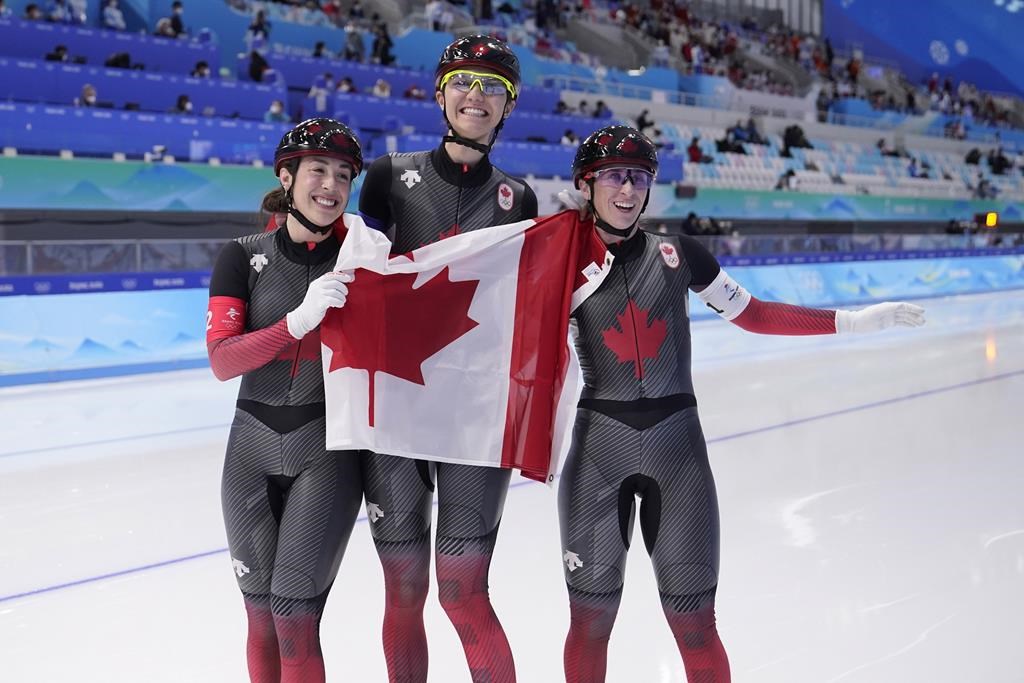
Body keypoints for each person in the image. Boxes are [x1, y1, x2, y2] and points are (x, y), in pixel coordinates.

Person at [558, 125, 926, 683]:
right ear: (587, 184)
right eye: (613, 176)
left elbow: (752, 315)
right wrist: (551, 234)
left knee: (696, 623)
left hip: (677, 455)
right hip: (596, 455)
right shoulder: (562, 263)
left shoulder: (678, 255)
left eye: (639, 177)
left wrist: (851, 320)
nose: (627, 190)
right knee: (590, 621)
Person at [356, 35, 537, 683]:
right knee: (403, 588)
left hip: (473, 417)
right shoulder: (387, 177)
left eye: (493, 87)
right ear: (439, 93)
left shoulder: (522, 198)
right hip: (398, 409)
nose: (476, 96)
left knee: (462, 591)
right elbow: (362, 277)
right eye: (464, 81)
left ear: (509, 106)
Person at [206, 118, 365, 683]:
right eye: (318, 170)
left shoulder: (362, 260)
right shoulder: (241, 255)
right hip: (248, 451)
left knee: (294, 615)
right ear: (287, 176)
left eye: (344, 175)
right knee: (259, 619)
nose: (331, 185)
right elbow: (223, 361)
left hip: (325, 454)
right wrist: (296, 323)